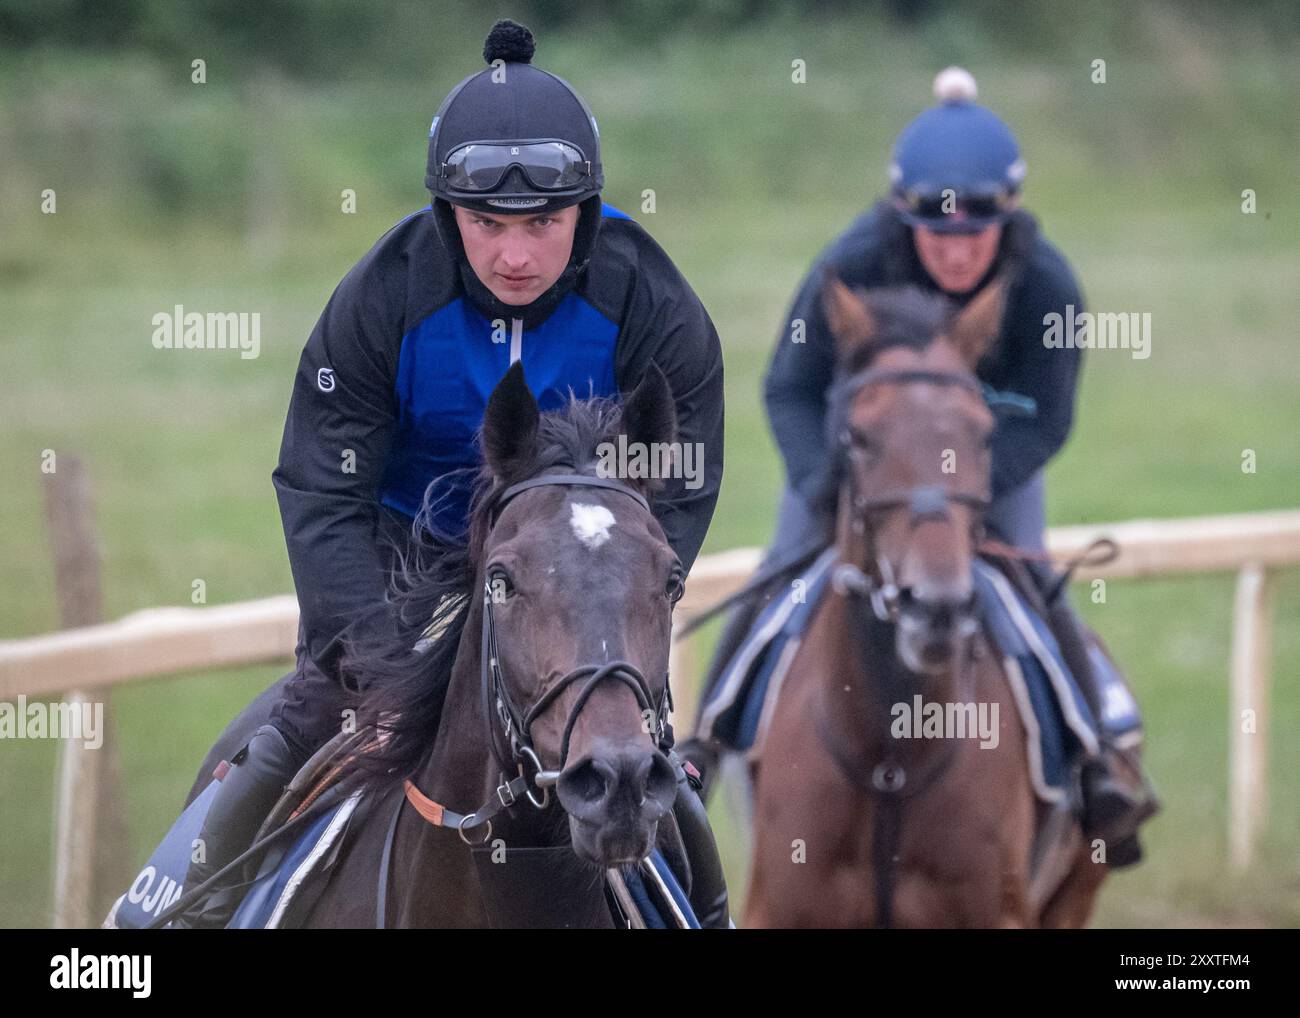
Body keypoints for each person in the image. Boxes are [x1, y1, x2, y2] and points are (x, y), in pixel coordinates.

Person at [176, 20, 729, 927]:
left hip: (576, 557)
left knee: (647, 758)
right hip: (402, 554)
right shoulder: (383, 296)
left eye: (543, 225)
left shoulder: (652, 303)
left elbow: (676, 491)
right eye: (486, 226)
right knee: (306, 721)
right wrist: (372, 665)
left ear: (586, 214)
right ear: (447, 216)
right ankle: (161, 916)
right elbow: (322, 485)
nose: (514, 256)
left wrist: (619, 601)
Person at [679, 68, 1157, 859]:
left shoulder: (1047, 286)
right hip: (859, 469)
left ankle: (1095, 759)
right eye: (939, 237)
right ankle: (707, 740)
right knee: (781, 569)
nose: (959, 252)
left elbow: (1051, 415)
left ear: (1008, 220)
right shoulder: (855, 261)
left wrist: (960, 495)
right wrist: (823, 481)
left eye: (977, 237)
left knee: (1034, 586)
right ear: (906, 221)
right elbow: (790, 386)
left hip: (985, 467)